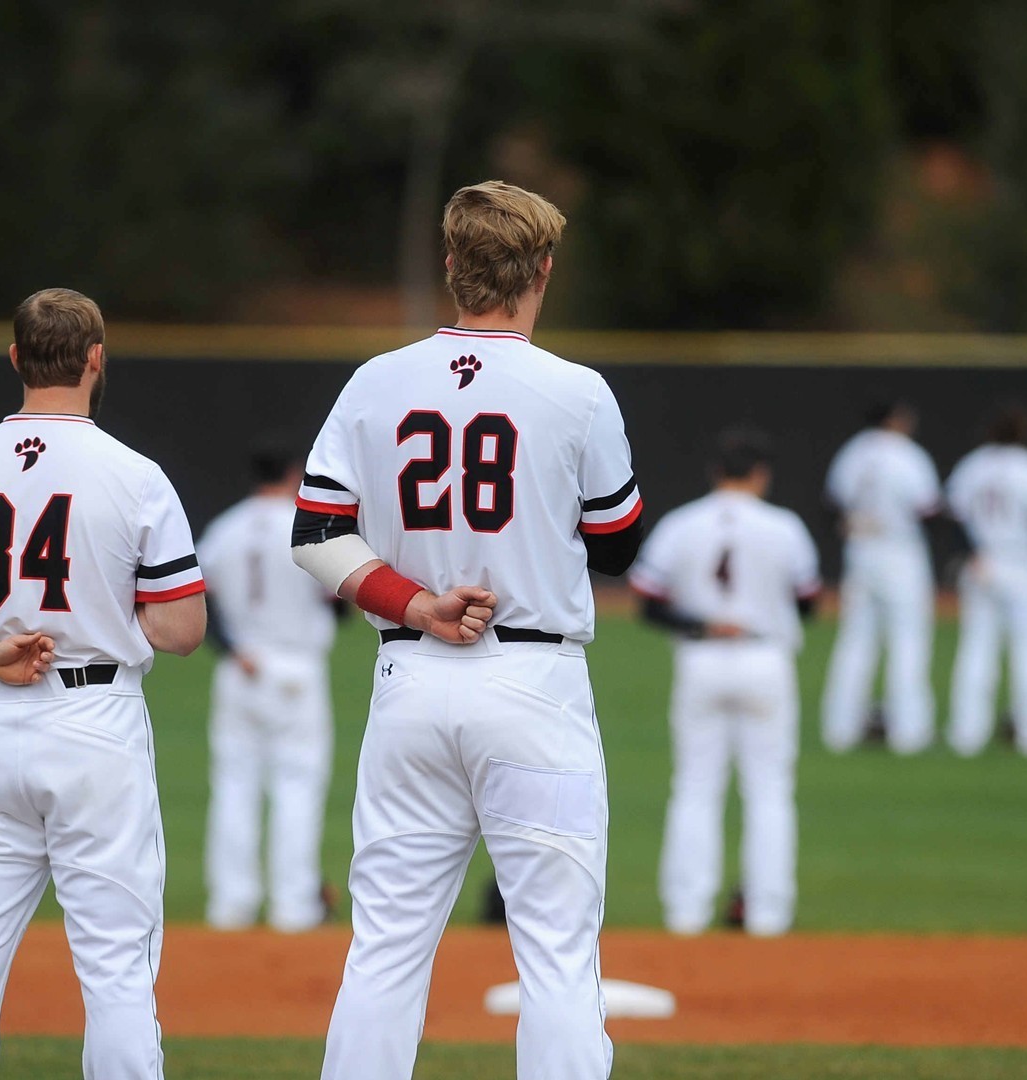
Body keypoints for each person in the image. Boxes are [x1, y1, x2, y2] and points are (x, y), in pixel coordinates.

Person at [292, 180, 644, 1080]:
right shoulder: (577, 390)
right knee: (559, 958)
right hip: (534, 681)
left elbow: (318, 536)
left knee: (385, 949)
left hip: (411, 673)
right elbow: (618, 544)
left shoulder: (378, 379)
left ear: (451, 267)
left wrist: (415, 602)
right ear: (544, 271)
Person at [0, 289, 207, 1080]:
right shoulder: (133, 474)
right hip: (95, 720)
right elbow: (181, 630)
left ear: (15, 358)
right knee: (117, 970)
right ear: (97, 359)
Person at [630, 428, 821, 938]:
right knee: (770, 790)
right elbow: (808, 600)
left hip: (701, 659)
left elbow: (648, 601)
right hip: (765, 658)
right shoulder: (784, 526)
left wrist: (701, 623)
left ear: (716, 472)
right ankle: (768, 915)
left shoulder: (681, 523)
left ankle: (686, 913)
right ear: (760, 474)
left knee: (694, 787)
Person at [196, 448, 344, 932]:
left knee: (234, 786)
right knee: (296, 788)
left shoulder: (225, 528)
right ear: (293, 474)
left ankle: (230, 906)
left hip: (240, 668)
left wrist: (230, 647)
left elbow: (200, 600)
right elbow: (339, 602)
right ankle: (292, 907)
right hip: (296, 669)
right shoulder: (306, 526)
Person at [820, 400, 942, 755]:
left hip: (860, 551)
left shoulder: (852, 453)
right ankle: (910, 731)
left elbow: (831, 504)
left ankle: (840, 728)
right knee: (908, 643)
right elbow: (929, 509)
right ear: (894, 420)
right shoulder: (907, 454)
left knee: (855, 641)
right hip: (900, 552)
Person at [944, 405, 1027, 757]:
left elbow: (951, 514)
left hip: (982, 561)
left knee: (976, 649)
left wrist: (971, 552)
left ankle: (966, 732)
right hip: (1021, 562)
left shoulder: (972, 466)